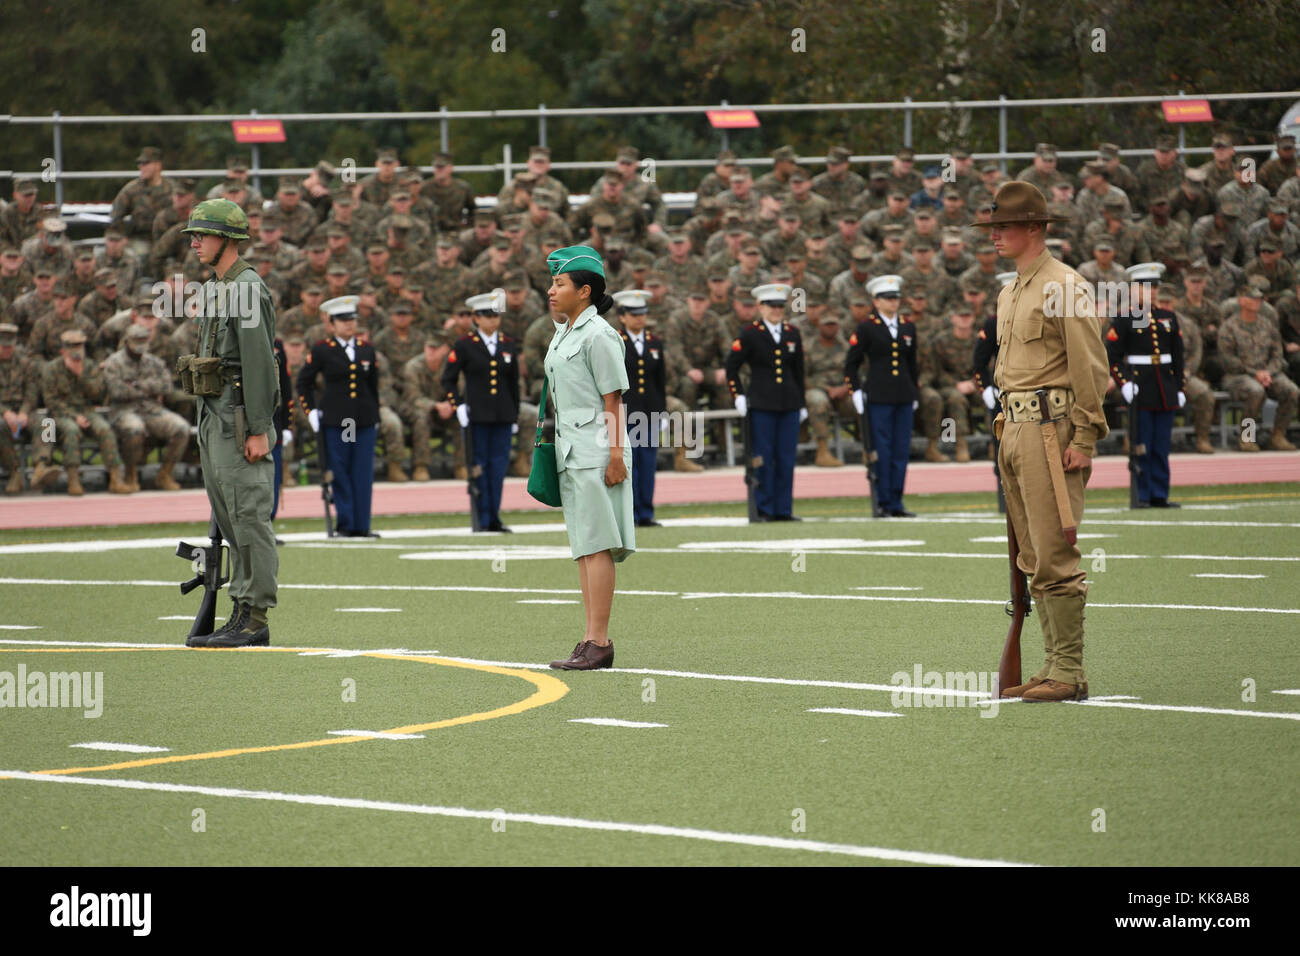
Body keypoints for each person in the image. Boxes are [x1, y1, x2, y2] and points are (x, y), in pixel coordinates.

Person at [974, 182, 1109, 703]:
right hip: (1013, 429)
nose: (994, 237)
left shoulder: (1063, 286)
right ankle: (1051, 664)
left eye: (1003, 227)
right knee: (1030, 555)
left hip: (1052, 434)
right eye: (992, 228)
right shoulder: (1012, 289)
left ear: (1034, 228)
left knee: (1054, 550)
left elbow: (1089, 366)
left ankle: (1069, 670)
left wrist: (1087, 436)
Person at [180, 198, 280, 648]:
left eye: (203, 234)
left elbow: (260, 364)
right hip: (214, 417)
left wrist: (260, 427)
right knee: (228, 516)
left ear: (229, 239)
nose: (196, 241)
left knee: (248, 518)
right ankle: (239, 609)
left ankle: (253, 616)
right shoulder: (218, 286)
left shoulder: (246, 288)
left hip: (239, 421)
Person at [543, 246, 635, 671]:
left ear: (584, 291)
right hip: (570, 449)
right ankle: (588, 639)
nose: (551, 290)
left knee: (597, 546)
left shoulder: (600, 334)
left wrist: (616, 455)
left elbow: (612, 399)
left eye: (559, 284)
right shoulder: (565, 331)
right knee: (584, 547)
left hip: (597, 449)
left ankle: (599, 642)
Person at [297, 295, 382, 537]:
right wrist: (311, 410)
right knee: (342, 470)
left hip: (363, 419)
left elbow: (373, 387)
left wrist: (375, 415)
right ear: (331, 324)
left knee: (363, 472)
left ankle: (362, 525)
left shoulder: (367, 350)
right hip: (340, 420)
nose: (349, 325)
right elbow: (304, 383)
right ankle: (346, 523)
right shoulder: (323, 350)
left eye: (352, 320)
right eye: (343, 321)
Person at [724, 283, 807, 521]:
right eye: (771, 306)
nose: (776, 310)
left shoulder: (793, 332)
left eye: (780, 306)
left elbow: (799, 371)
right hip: (762, 403)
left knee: (786, 458)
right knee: (763, 458)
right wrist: (738, 394)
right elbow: (732, 367)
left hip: (789, 403)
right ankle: (765, 508)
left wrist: (801, 402)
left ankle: (784, 509)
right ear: (760, 307)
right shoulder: (750, 333)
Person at [1106, 263, 1185, 507]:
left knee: (1161, 446)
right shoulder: (1124, 319)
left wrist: (1180, 387)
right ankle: (1142, 494)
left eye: (1154, 287)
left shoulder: (1168, 318)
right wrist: (1125, 382)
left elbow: (1178, 356)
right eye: (1145, 287)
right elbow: (1112, 356)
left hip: (1164, 388)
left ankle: (1159, 494)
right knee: (1142, 446)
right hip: (1141, 388)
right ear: (1134, 290)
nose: (1151, 292)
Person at [442, 289, 521, 533]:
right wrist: (458, 405)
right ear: (476, 318)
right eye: (487, 316)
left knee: (497, 468)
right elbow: (448, 379)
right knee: (478, 467)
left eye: (496, 316)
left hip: (502, 416)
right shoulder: (465, 345)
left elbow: (513, 383)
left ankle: (494, 516)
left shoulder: (508, 344)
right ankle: (482, 517)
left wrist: (515, 414)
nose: (493, 321)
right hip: (477, 415)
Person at [845, 275, 918, 517]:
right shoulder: (867, 328)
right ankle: (882, 500)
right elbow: (851, 364)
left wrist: (914, 390)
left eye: (895, 297)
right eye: (887, 298)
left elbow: (911, 363)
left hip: (903, 395)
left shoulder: (908, 326)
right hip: (878, 395)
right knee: (882, 450)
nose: (893, 302)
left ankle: (896, 502)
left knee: (900, 451)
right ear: (876, 302)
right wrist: (855, 390)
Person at [613, 289, 666, 526]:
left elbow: (660, 381)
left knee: (647, 464)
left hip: (650, 411)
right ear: (622, 316)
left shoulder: (654, 342)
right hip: (625, 411)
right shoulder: (615, 341)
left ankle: (646, 511)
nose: (639, 319)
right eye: (633, 314)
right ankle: (629, 513)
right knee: (628, 463)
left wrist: (662, 411)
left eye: (642, 314)